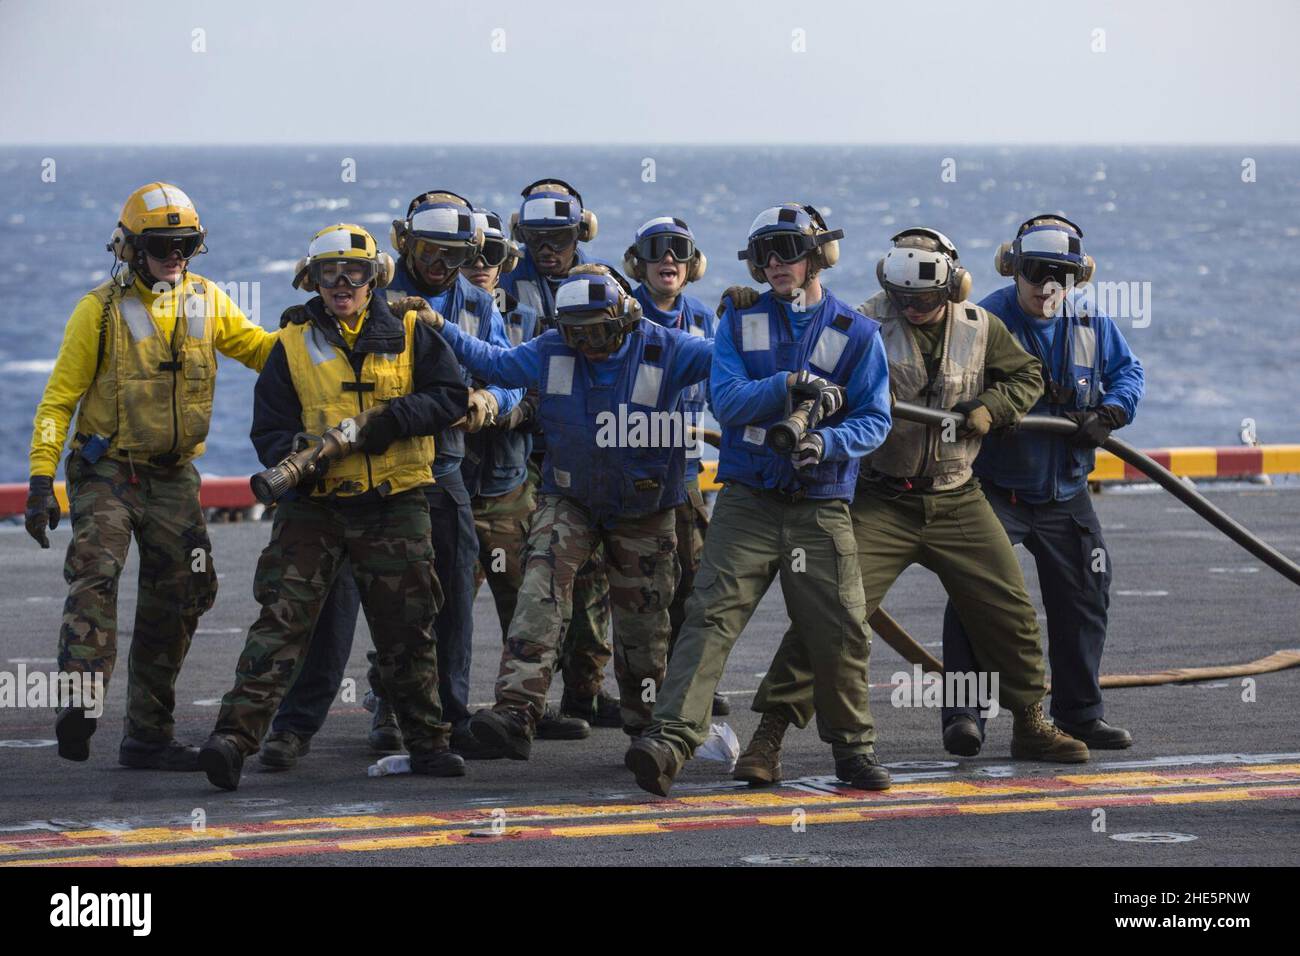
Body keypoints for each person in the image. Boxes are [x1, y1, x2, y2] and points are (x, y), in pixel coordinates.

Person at [727, 228, 1089, 785]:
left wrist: (994, 406)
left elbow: (1027, 374)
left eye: (924, 298)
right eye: (903, 297)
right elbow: (800, 349)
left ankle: (1029, 720)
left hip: (957, 494)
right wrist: (750, 302)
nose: (913, 308)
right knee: (830, 617)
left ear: (954, 287)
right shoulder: (862, 323)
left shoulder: (979, 327)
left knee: (1010, 613)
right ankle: (769, 735)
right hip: (882, 497)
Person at [624, 203, 894, 797]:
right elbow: (726, 400)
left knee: (841, 629)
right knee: (710, 618)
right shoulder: (738, 323)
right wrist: (788, 386)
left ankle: (853, 749)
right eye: (766, 253)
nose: (776, 263)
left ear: (818, 255)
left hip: (820, 501)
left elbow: (876, 420)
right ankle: (668, 742)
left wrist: (826, 441)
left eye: (789, 250)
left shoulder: (858, 334)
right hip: (748, 499)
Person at [197, 223, 468, 790]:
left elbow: (449, 398)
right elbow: (268, 427)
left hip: (394, 504)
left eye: (354, 272)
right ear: (311, 279)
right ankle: (233, 740)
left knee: (408, 628)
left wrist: (390, 422)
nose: (342, 283)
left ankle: (427, 743)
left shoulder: (413, 330)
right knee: (281, 622)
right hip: (315, 507)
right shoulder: (291, 343)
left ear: (375, 279)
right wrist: (293, 453)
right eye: (329, 273)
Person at [26, 182, 278, 770]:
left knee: (184, 592)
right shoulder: (99, 312)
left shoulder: (208, 300)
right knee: (96, 573)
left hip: (173, 477)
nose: (175, 254)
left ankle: (147, 735)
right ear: (131, 248)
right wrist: (42, 481)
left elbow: (263, 351)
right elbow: (57, 402)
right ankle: (82, 703)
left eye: (186, 242)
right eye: (163, 243)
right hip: (108, 471)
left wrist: (310, 327)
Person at [421, 265, 713, 758]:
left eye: (596, 332)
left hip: (643, 508)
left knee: (643, 622)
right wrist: (437, 322)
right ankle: (516, 713)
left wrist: (762, 316)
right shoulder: (553, 348)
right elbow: (494, 364)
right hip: (569, 499)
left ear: (624, 318)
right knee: (539, 592)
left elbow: (735, 359)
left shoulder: (668, 349)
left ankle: (649, 730)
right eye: (575, 333)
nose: (587, 345)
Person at [940, 214, 1145, 753]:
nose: (1047, 286)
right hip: (993, 489)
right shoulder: (979, 321)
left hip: (1065, 493)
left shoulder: (1091, 323)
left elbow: (1130, 373)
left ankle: (1078, 715)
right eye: (1036, 271)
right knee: (975, 596)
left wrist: (1111, 412)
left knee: (1085, 593)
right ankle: (965, 717)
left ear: (1079, 278)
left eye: (1061, 274)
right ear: (1013, 268)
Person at [500, 179, 621, 729]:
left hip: (580, 449)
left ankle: (586, 694)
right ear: (520, 234)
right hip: (514, 449)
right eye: (538, 237)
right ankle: (520, 701)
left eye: (562, 236)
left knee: (590, 579)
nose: (550, 248)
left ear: (582, 232)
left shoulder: (606, 285)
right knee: (530, 580)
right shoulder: (500, 282)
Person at [622, 216, 728, 717]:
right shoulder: (618, 315)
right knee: (640, 589)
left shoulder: (706, 318)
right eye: (657, 250)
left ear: (693, 264)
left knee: (693, 580)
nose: (668, 258)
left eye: (678, 250)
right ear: (637, 262)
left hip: (683, 470)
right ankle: (635, 695)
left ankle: (690, 685)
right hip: (626, 467)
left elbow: (720, 394)